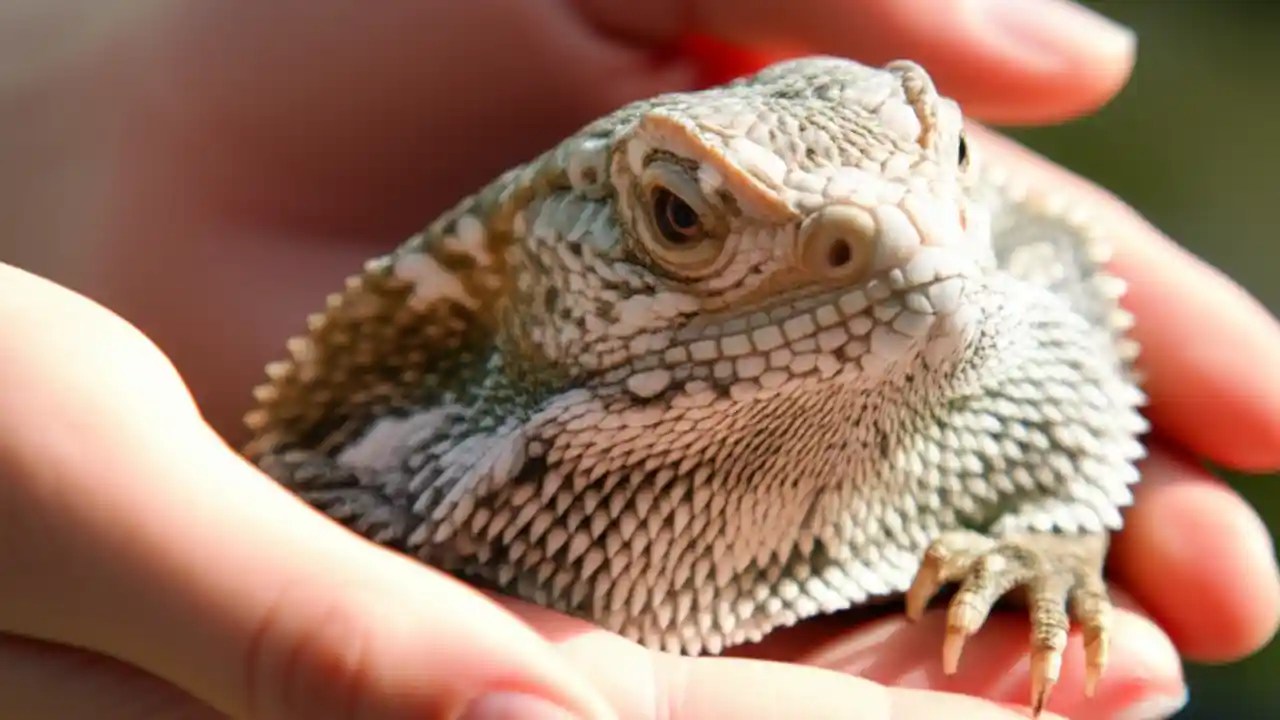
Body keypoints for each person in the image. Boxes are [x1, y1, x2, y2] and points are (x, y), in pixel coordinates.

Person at [2, 1, 1277, 718]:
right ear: (545, 277)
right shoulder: (377, 480)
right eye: (681, 215)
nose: (897, 240)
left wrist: (1049, 547)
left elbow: (1057, 392)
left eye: (944, 166)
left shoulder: (987, 308)